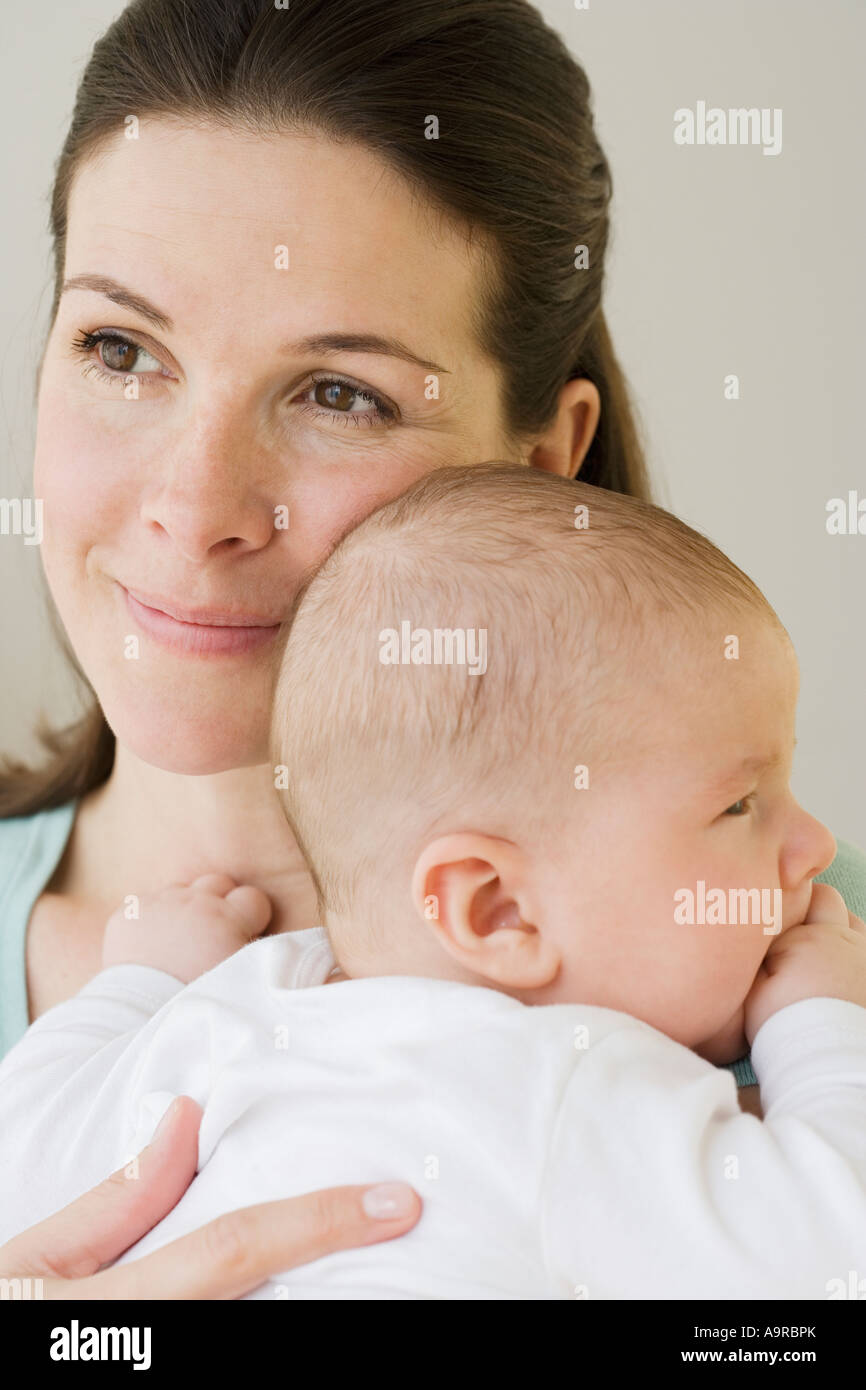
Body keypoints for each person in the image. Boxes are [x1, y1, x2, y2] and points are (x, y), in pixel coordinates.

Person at [2, 0, 864, 1293]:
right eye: (120, 349)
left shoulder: (805, 940)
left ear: (543, 461)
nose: (193, 508)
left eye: (338, 394)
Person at [2, 466, 864, 1299]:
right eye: (741, 804)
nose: (815, 842)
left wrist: (136, 988)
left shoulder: (239, 1008)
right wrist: (821, 1027)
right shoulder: (571, 1084)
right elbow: (839, 1247)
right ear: (496, 910)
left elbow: (27, 1169)